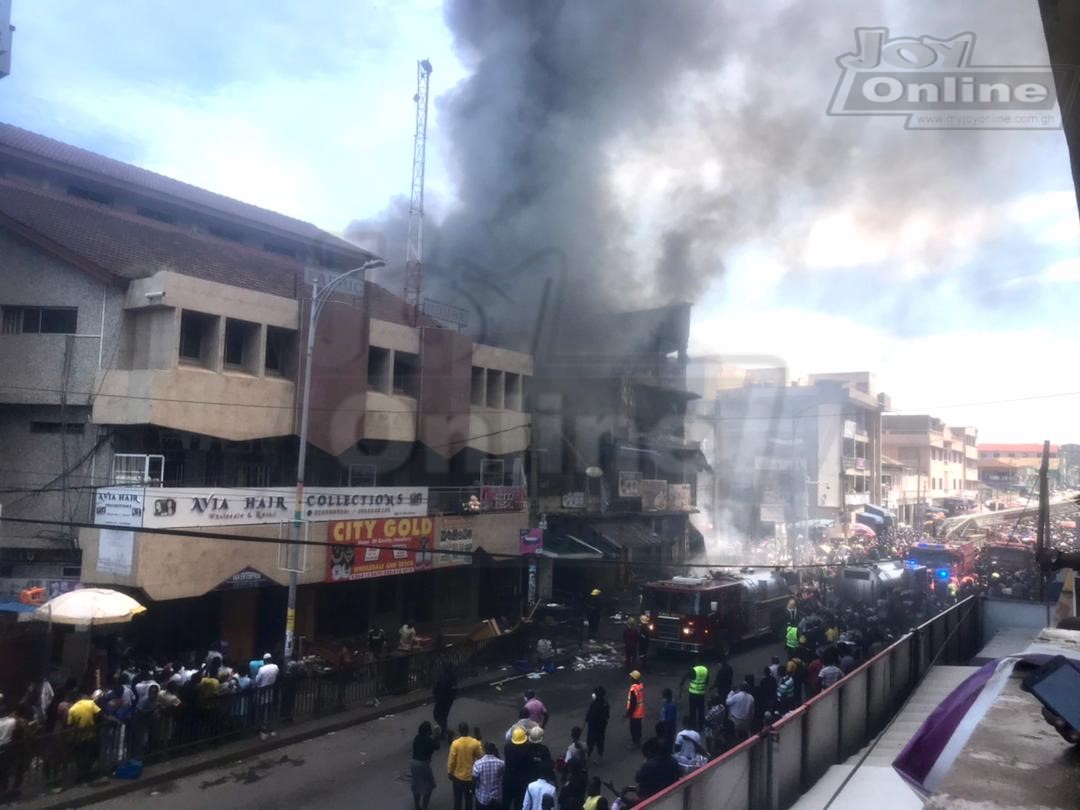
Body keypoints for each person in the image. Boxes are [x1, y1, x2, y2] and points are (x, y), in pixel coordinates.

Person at [411, 720, 440, 810]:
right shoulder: (428, 740)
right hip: (423, 764)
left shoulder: (417, 738)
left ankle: (416, 806)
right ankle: (424, 807)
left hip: (413, 763)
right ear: (427, 731)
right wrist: (436, 736)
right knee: (429, 786)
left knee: (417, 784)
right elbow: (437, 746)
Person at [503, 725, 533, 810]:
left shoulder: (507, 747)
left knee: (506, 802)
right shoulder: (527, 751)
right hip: (521, 782)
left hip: (508, 779)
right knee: (519, 803)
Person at [473, 741, 504, 810]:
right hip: (495, 797)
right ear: (494, 750)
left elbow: (474, 779)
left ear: (484, 750)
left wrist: (472, 789)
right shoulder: (501, 763)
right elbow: (501, 775)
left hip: (482, 796)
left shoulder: (478, 764)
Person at [679, 660, 709, 730]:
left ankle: (693, 725)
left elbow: (685, 676)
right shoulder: (705, 670)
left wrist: (681, 684)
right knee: (701, 710)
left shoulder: (693, 670)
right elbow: (707, 682)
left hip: (693, 693)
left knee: (693, 710)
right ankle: (701, 726)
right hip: (701, 693)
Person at [584, 686, 610, 763]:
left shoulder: (599, 704)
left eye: (595, 693)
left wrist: (588, 718)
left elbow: (593, 714)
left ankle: (591, 756)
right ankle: (593, 755)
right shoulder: (602, 703)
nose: (593, 695)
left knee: (593, 741)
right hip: (599, 726)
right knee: (597, 741)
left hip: (596, 726)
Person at [433, 662, 458, 739]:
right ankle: (444, 732)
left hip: (442, 700)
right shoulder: (453, 677)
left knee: (437, 714)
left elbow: (439, 688)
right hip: (449, 700)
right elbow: (454, 688)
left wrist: (437, 698)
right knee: (444, 715)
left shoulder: (444, 678)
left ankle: (446, 730)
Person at [624, 671, 645, 748]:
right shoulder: (640, 686)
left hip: (635, 713)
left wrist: (628, 713)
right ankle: (638, 741)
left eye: (631, 677)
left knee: (633, 729)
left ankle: (635, 743)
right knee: (638, 727)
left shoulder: (634, 689)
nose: (630, 678)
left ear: (634, 678)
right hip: (640, 711)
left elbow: (633, 703)